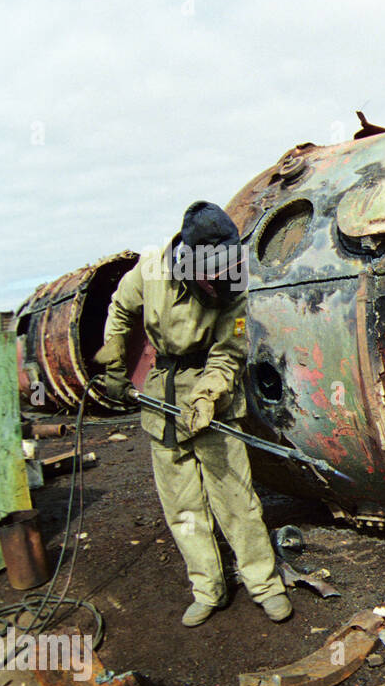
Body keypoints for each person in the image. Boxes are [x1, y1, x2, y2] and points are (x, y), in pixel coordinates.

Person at [92, 202, 293, 627]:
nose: (219, 280)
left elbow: (229, 351)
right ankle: (208, 589)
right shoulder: (150, 271)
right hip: (162, 394)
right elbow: (121, 309)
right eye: (211, 272)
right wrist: (114, 360)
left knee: (236, 499)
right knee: (183, 506)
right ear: (187, 260)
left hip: (210, 390)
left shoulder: (234, 283)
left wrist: (207, 396)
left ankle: (265, 585)